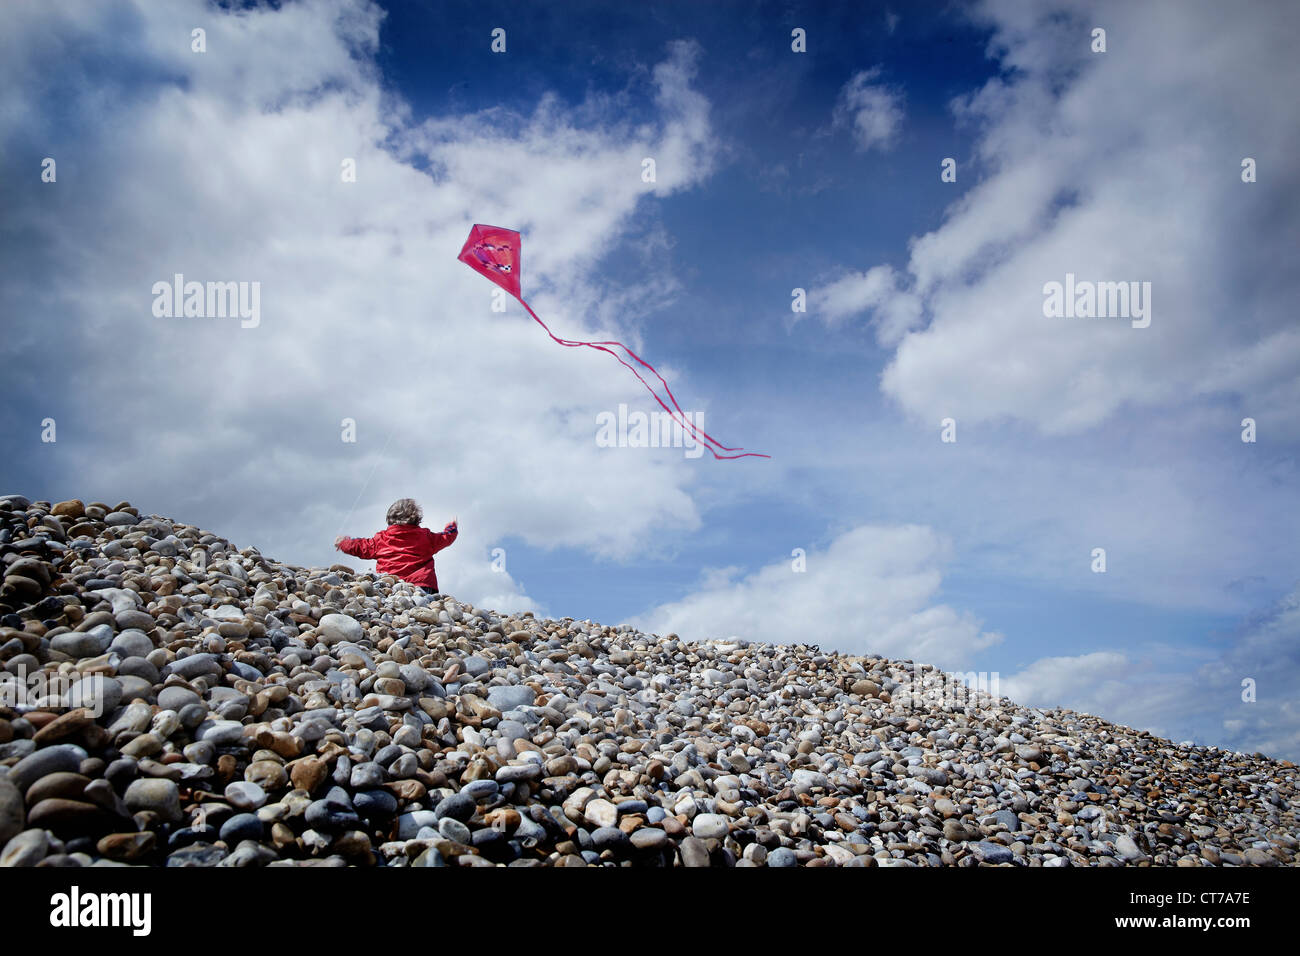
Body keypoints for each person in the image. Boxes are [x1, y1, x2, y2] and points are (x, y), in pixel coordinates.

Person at [335, 498, 457, 594]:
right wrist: (452, 526)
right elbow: (446, 537)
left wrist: (343, 542)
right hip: (422, 585)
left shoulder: (381, 539)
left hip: (390, 584)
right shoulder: (426, 537)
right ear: (417, 519)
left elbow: (360, 547)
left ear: (389, 518)